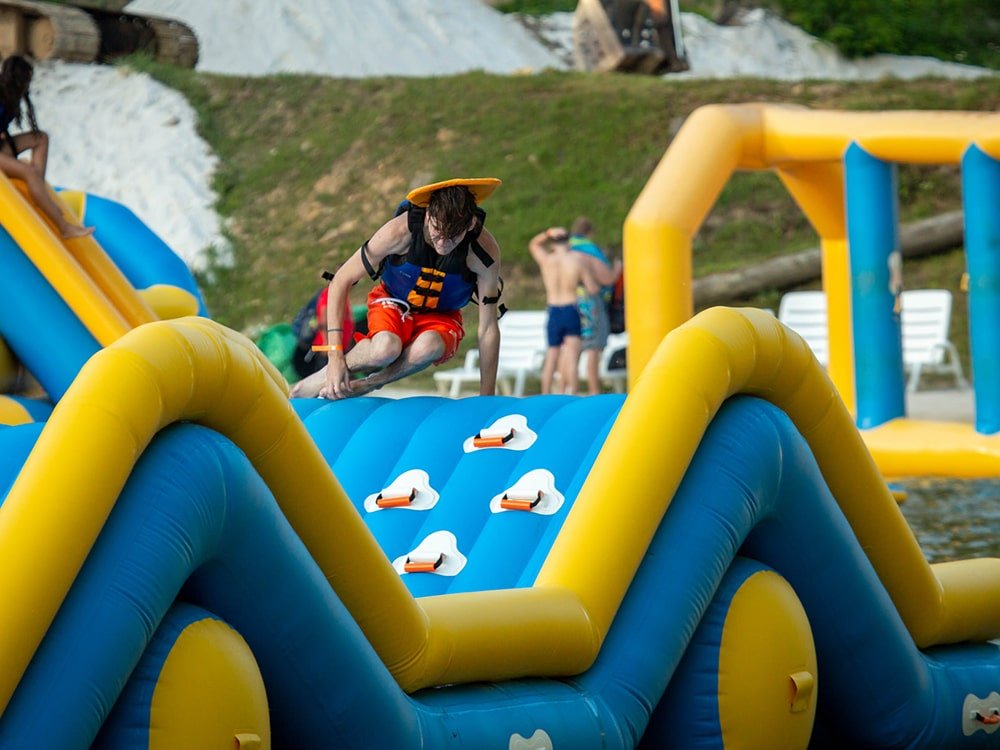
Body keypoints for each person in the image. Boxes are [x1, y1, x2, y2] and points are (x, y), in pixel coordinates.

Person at [289, 178, 503, 399]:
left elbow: (488, 327)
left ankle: (370, 384)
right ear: (428, 214)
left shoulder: (483, 253)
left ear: (471, 225)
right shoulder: (399, 232)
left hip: (442, 316)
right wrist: (335, 358)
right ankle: (318, 379)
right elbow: (340, 280)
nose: (443, 244)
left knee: (429, 346)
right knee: (384, 349)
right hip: (392, 300)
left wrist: (487, 398)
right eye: (437, 232)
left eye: (453, 238)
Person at [0, 56, 93, 239]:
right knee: (28, 172)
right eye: (26, 80)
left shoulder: (11, 95)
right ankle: (64, 228)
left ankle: (39, 191)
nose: (28, 85)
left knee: (41, 138)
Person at [529, 226, 599, 395]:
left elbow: (533, 245)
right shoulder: (577, 260)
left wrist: (547, 233)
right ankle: (572, 394)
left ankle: (545, 394)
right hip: (571, 309)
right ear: (569, 242)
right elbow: (592, 288)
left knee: (551, 356)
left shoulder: (547, 260)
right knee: (572, 357)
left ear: (552, 243)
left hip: (554, 310)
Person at [569, 217, 621, 395]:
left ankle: (569, 390)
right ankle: (594, 391)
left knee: (573, 347)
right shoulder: (588, 251)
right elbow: (606, 279)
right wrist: (616, 270)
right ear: (589, 233)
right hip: (590, 303)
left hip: (568, 302)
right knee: (594, 347)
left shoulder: (565, 250)